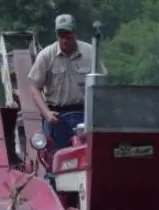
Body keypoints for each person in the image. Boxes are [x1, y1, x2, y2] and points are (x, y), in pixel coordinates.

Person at [28, 14, 107, 152]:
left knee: (92, 153)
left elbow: (102, 83)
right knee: (55, 157)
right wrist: (46, 113)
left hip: (85, 115)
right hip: (57, 116)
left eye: (68, 35)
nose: (65, 39)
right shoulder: (46, 56)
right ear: (57, 35)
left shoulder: (90, 53)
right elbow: (34, 87)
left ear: (75, 33)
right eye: (61, 35)